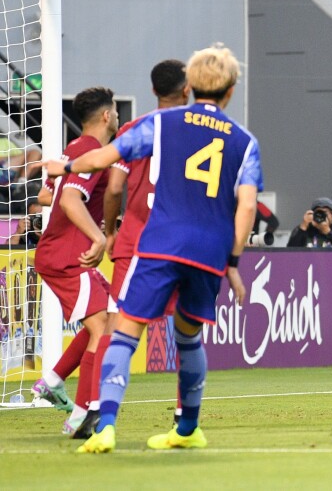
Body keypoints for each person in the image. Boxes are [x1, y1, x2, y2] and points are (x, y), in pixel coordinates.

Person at [62, 46, 260, 454]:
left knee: (125, 332)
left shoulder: (160, 123)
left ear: (192, 84)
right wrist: (234, 262)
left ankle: (107, 427)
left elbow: (107, 158)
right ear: (231, 89)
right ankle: (187, 428)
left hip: (159, 241)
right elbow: (247, 206)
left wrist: (64, 167)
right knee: (188, 338)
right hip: (208, 251)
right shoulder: (244, 140)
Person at [93, 61, 190, 425]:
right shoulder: (199, 133)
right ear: (187, 89)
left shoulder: (135, 128)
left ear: (152, 91)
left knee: (117, 325)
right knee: (187, 329)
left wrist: (110, 230)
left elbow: (115, 186)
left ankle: (96, 409)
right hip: (183, 242)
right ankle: (185, 418)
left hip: (137, 240)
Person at [29, 87, 117, 439]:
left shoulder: (75, 150)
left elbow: (45, 194)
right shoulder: (90, 151)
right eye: (115, 111)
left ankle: (52, 381)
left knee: (109, 319)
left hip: (64, 251)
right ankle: (82, 414)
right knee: (103, 329)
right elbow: (66, 199)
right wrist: (97, 236)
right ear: (106, 116)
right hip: (69, 255)